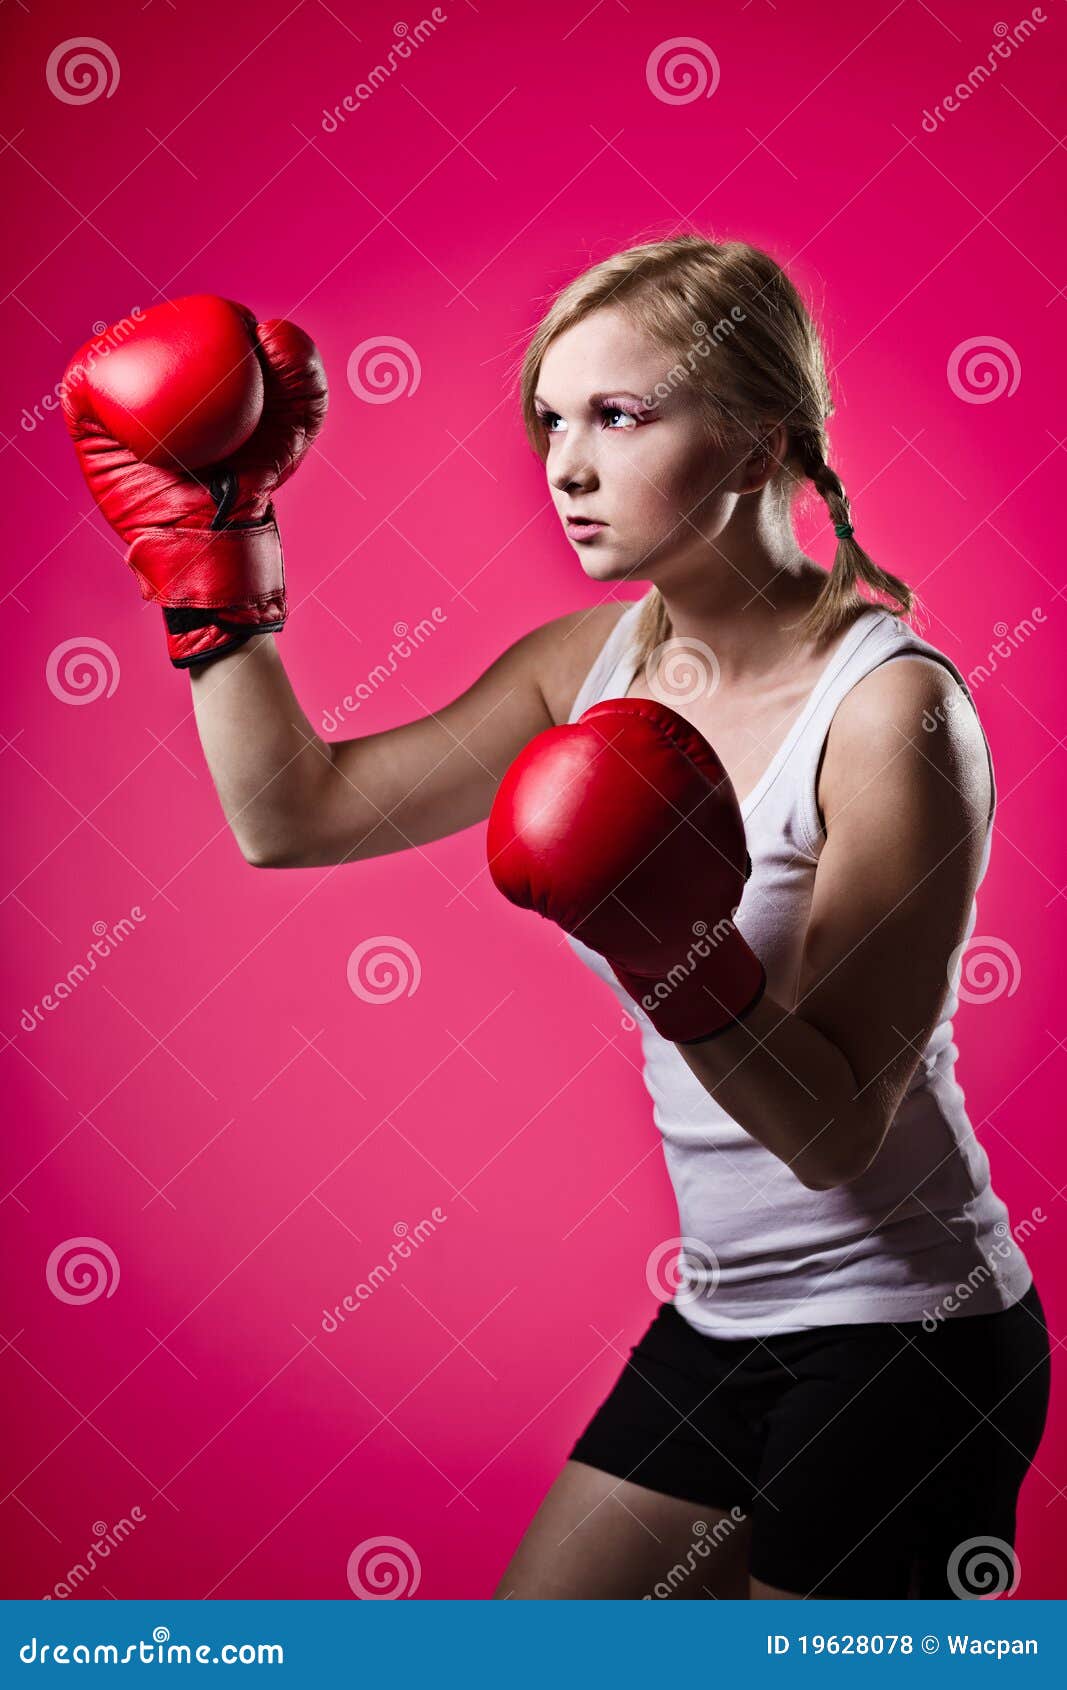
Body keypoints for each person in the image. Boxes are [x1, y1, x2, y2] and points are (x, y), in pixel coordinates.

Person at [62, 237, 1050, 1602]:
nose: (567, 465)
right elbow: (291, 815)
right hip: (725, 1315)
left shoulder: (892, 711)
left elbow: (832, 1132)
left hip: (907, 1331)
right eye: (552, 419)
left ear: (762, 443)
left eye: (620, 416)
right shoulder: (581, 672)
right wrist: (209, 556)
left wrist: (672, 946)